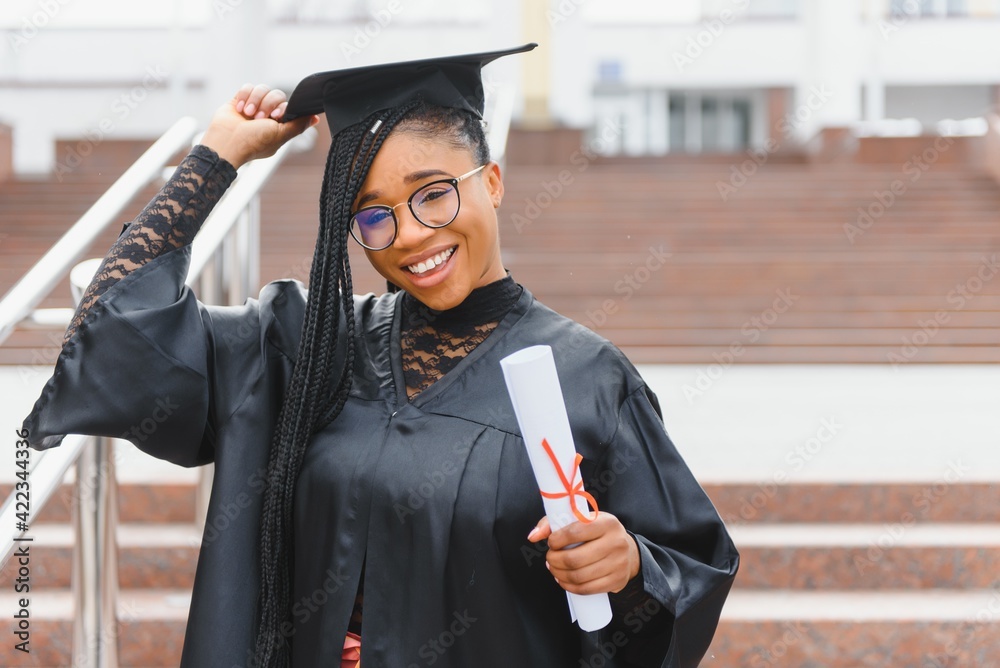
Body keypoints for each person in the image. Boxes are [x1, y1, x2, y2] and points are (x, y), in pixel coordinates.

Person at [21, 44, 738, 668]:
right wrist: (216, 159)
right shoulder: (300, 346)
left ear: (490, 182)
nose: (410, 234)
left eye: (433, 195)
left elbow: (690, 572)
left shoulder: (586, 378)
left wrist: (630, 565)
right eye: (373, 214)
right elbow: (112, 334)